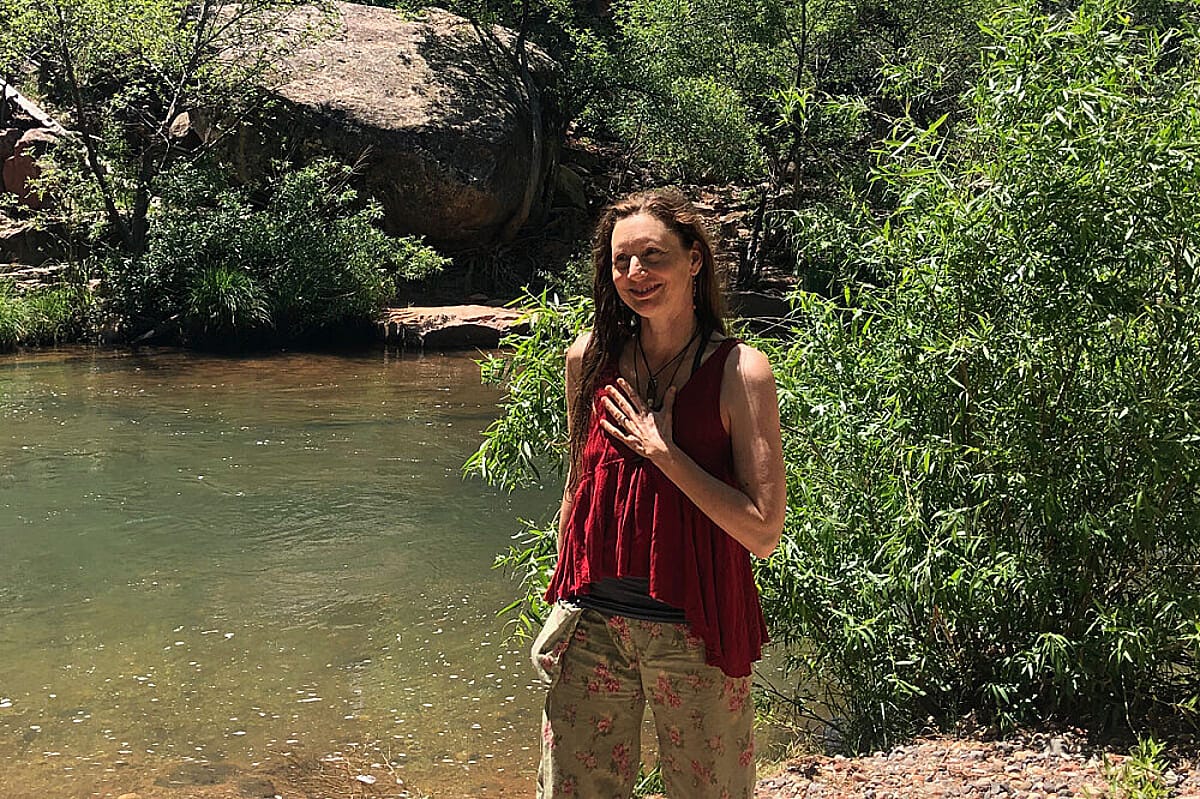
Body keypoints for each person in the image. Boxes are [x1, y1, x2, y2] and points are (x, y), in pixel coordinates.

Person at [531, 188, 787, 799]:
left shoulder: (739, 371)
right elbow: (579, 489)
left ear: (694, 260)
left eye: (653, 256)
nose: (636, 274)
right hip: (592, 626)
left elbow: (763, 532)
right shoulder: (588, 359)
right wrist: (560, 601)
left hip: (693, 632)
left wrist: (665, 454)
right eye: (621, 261)